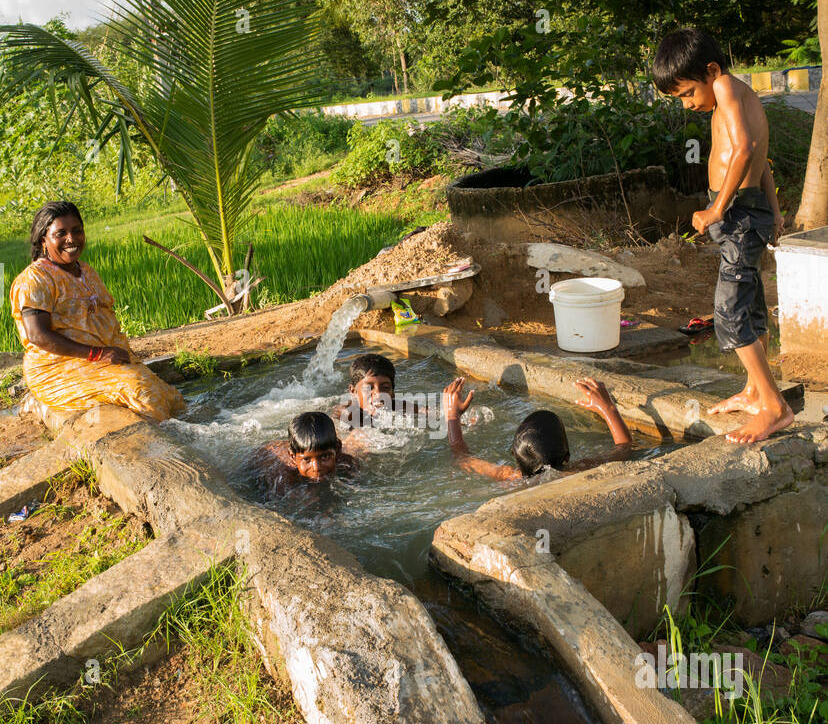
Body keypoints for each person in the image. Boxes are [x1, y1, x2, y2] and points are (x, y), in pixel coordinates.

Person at [651, 28, 793, 444]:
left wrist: (716, 208)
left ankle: (773, 406)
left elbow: (747, 148)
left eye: (687, 93)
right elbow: (760, 159)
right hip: (747, 211)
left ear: (711, 70)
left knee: (729, 311)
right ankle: (754, 390)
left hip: (739, 213)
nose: (688, 103)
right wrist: (777, 209)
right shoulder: (730, 96)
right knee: (748, 301)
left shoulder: (727, 86)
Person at [9, 200, 186, 424]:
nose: (71, 239)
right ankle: (162, 450)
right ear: (43, 240)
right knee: (143, 392)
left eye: (77, 231)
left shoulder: (86, 271)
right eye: (60, 233)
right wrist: (97, 354)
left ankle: (194, 443)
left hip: (100, 361)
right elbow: (38, 335)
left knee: (173, 399)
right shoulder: (35, 279)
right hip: (58, 372)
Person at [443, 376, 632, 482]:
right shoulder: (579, 470)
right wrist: (607, 408)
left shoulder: (511, 476)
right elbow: (624, 448)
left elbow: (462, 457)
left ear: (515, 456)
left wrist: (452, 415)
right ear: (567, 457)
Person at [248, 411, 359, 495]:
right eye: (307, 460)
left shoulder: (348, 463)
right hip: (260, 458)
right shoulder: (285, 477)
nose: (316, 467)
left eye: (324, 457)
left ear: (338, 450)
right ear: (292, 457)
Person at [331, 353, 396, 428]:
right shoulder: (347, 416)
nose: (378, 393)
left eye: (385, 387)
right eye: (368, 388)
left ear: (393, 393)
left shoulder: (399, 409)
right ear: (353, 392)